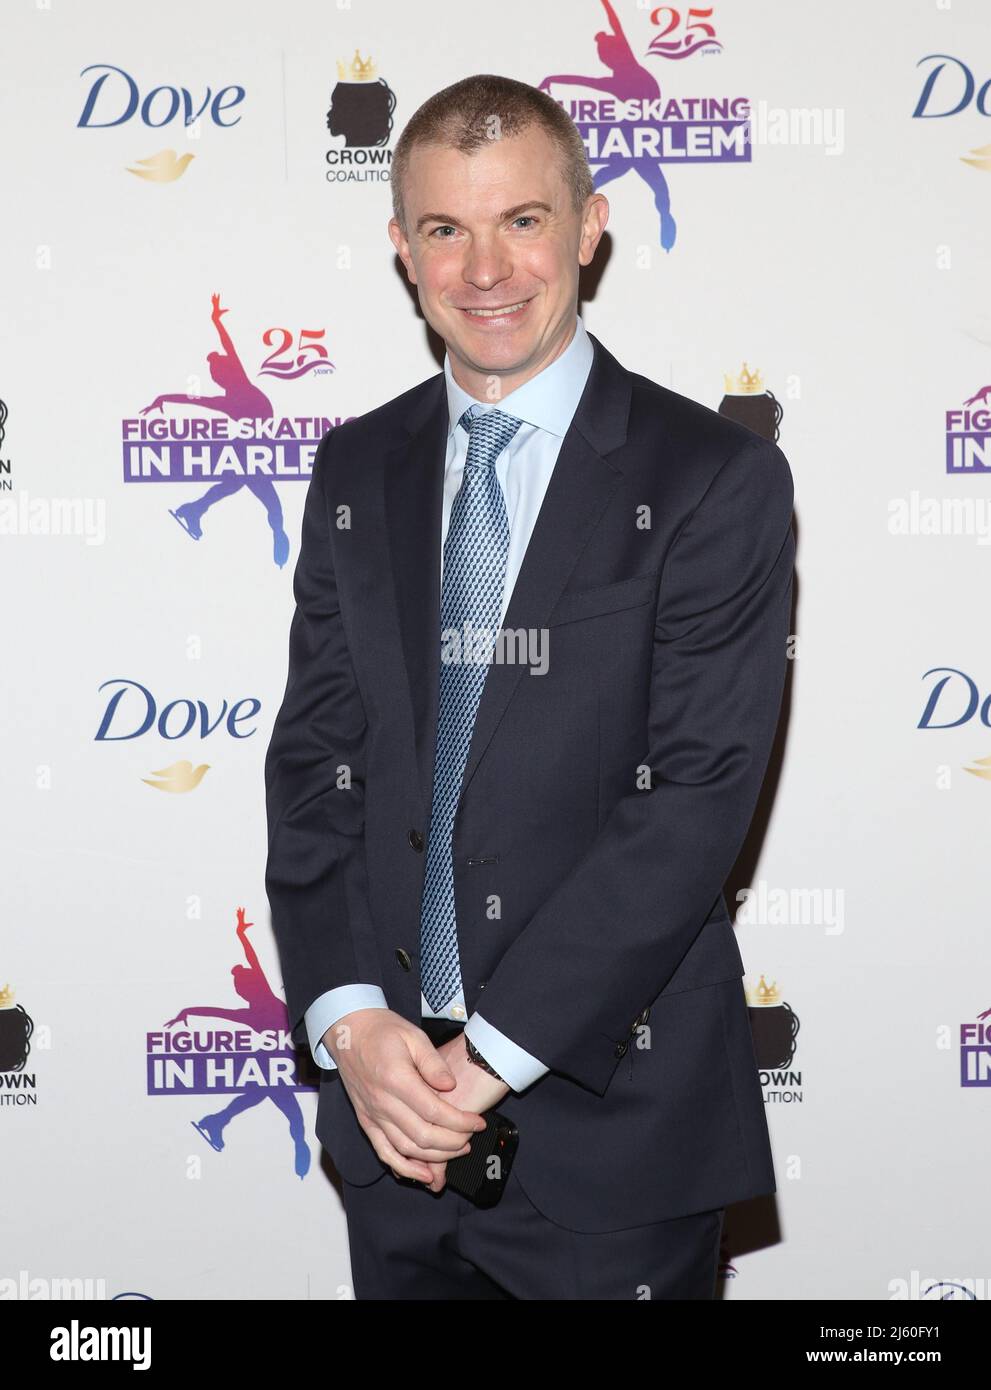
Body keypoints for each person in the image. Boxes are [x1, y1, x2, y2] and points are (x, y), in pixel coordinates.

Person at [264, 73, 795, 1300]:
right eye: (445, 228)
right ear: (401, 248)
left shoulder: (712, 477)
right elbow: (314, 763)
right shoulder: (357, 463)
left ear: (589, 226)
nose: (485, 268)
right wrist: (351, 1021)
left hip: (614, 1130)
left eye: (522, 220)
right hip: (393, 1131)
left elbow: (695, 800)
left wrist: (487, 1060)